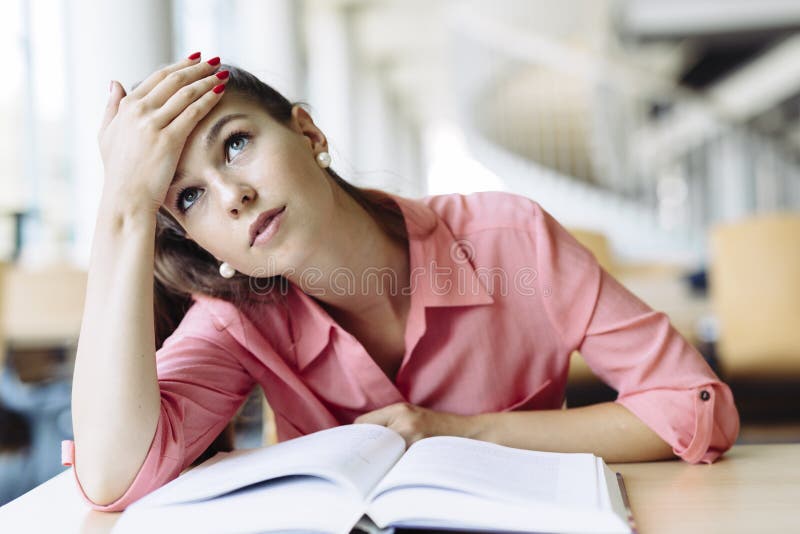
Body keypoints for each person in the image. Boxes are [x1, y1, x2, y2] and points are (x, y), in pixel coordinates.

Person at [64, 52, 740, 512]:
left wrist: (460, 432)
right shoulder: (236, 317)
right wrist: (123, 207)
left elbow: (694, 406)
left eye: (235, 144)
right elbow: (112, 477)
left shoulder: (512, 240)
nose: (232, 195)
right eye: (189, 199)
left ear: (309, 132)